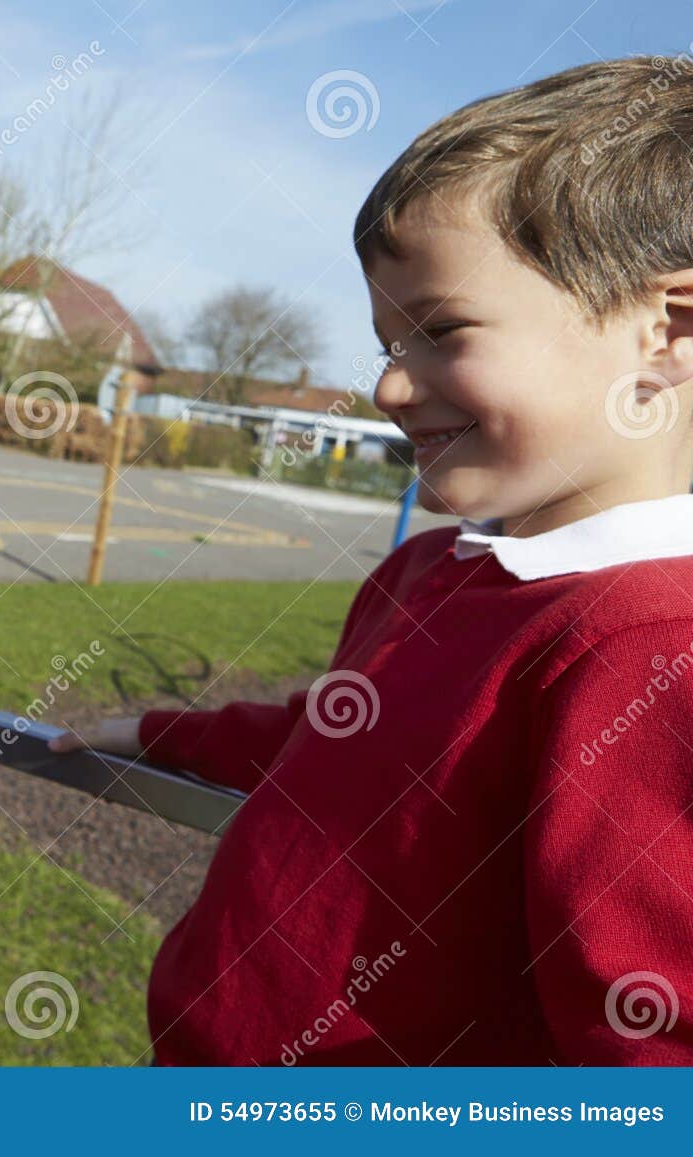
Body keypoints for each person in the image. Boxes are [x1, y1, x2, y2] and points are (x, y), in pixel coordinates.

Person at [52, 58, 693, 1064]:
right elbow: (340, 744)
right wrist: (158, 728)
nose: (391, 385)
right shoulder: (430, 571)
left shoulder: (649, 651)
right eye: (388, 339)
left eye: (440, 331)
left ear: (664, 332)